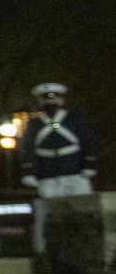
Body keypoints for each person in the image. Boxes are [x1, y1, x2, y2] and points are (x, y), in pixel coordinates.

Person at [20, 82, 96, 254]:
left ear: (62, 99)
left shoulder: (75, 119)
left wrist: (89, 164)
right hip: (48, 174)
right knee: (51, 214)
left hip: (75, 172)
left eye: (55, 99)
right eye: (46, 100)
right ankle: (50, 250)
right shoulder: (34, 124)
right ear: (40, 101)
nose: (51, 103)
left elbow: (88, 141)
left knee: (82, 211)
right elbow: (27, 148)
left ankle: (84, 248)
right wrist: (28, 170)